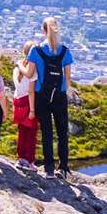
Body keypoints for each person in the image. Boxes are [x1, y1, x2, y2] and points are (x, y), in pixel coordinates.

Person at [25, 16, 74, 178]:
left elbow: (30, 73)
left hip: (42, 96)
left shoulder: (36, 50)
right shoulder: (65, 51)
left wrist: (19, 66)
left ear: (43, 31)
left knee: (47, 132)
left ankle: (49, 170)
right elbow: (67, 80)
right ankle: (64, 166)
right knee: (62, 132)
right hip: (59, 95)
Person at [12, 41, 40, 170]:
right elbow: (31, 92)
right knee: (31, 133)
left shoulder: (16, 69)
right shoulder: (32, 72)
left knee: (22, 132)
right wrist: (33, 110)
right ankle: (29, 161)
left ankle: (20, 158)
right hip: (28, 103)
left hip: (18, 101)